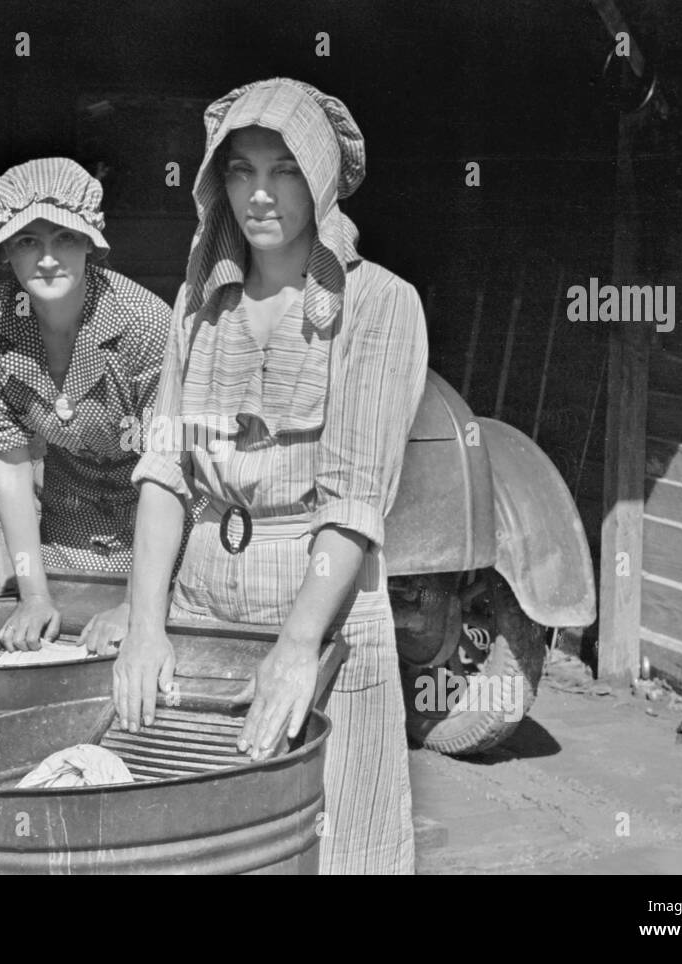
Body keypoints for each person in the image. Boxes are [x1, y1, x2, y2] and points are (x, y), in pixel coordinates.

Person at [117, 79, 428, 874]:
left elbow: (354, 502)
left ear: (321, 179)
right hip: (201, 614)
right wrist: (146, 624)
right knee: (203, 842)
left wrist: (296, 646)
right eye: (240, 170)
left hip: (319, 616)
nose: (260, 194)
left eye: (284, 169)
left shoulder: (377, 305)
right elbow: (163, 471)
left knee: (329, 846)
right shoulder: (197, 302)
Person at [0, 158, 170, 653]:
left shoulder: (143, 322)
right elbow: (9, 463)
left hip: (162, 523)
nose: (48, 258)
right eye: (28, 241)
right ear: (5, 252)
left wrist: (137, 607)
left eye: (65, 239)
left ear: (91, 245)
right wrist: (33, 593)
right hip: (68, 521)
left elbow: (169, 468)